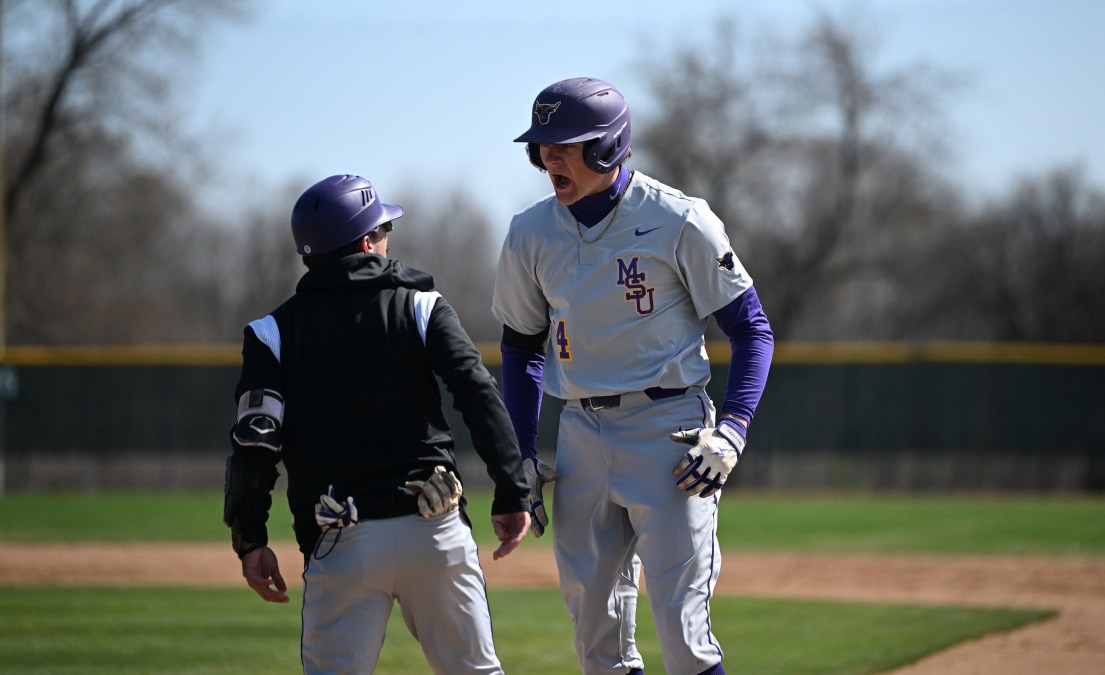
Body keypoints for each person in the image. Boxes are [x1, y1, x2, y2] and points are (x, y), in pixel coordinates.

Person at [492, 77, 775, 675]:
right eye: (543, 145)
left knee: (683, 635)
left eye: (565, 144)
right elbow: (520, 350)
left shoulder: (679, 219)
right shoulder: (530, 231)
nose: (549, 157)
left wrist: (733, 429)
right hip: (580, 436)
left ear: (608, 147)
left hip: (669, 432)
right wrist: (518, 454)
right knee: (597, 640)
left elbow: (752, 330)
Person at [224, 174, 531, 675]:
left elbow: (255, 440)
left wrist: (249, 535)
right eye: (384, 227)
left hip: (341, 538)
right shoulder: (422, 305)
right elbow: (478, 394)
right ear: (367, 242)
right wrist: (512, 489)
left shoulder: (271, 332)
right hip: (434, 528)